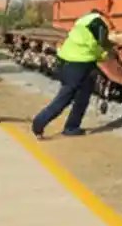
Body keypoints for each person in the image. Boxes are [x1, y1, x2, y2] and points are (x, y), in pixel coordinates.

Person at [31, 8, 112, 138]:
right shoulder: (97, 23)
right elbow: (96, 46)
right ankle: (38, 123)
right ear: (101, 15)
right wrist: (105, 54)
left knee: (83, 97)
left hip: (69, 64)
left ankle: (72, 127)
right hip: (78, 66)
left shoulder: (80, 24)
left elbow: (88, 45)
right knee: (64, 99)